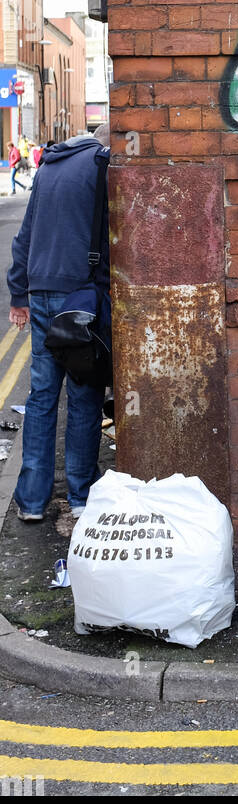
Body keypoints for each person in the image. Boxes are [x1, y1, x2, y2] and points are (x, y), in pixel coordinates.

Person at [7, 125, 110, 522]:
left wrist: (19, 294)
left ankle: (32, 501)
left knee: (42, 395)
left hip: (41, 292)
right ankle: (81, 493)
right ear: (110, 141)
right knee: (84, 395)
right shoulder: (102, 163)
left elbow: (25, 236)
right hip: (80, 297)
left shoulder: (47, 166)